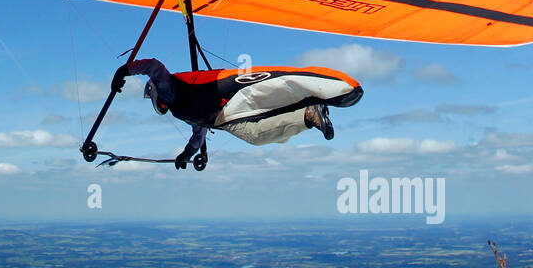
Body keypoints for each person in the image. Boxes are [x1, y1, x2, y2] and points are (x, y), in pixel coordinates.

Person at [110, 58, 355, 169]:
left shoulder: (170, 89)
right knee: (258, 135)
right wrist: (186, 155)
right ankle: (308, 115)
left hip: (221, 94)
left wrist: (125, 71)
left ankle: (330, 94)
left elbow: (154, 66)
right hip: (223, 117)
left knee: (273, 92)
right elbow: (199, 132)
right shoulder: (180, 110)